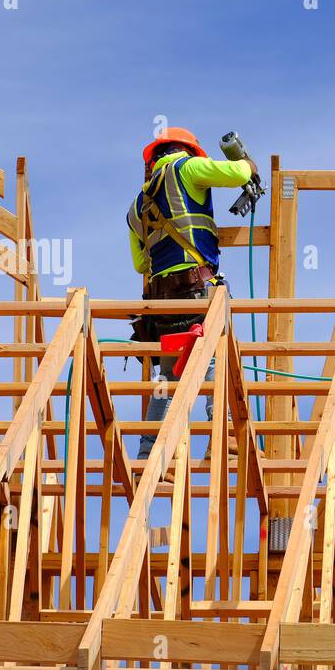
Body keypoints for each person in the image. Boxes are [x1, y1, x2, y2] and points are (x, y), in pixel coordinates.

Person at [126, 127, 258, 459]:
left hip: (162, 306)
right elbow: (240, 172)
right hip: (196, 290)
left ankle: (147, 452)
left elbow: (141, 263)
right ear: (186, 150)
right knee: (213, 358)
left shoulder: (136, 207)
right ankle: (223, 440)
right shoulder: (188, 167)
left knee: (169, 377)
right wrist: (247, 163)